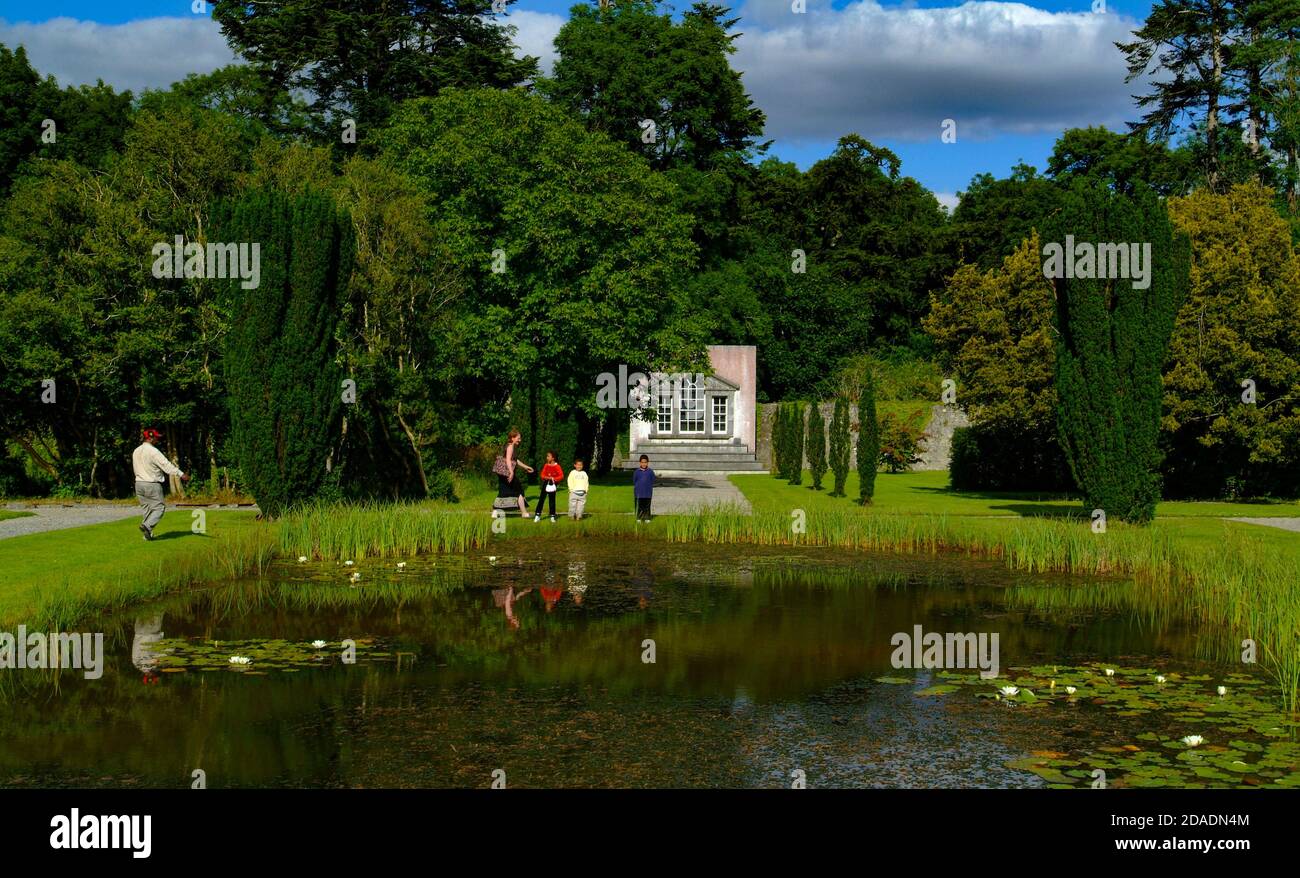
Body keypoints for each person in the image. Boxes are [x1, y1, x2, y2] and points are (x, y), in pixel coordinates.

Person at [132, 428, 188, 541]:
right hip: (152, 484)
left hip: (139, 484)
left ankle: (147, 535)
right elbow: (166, 465)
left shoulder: (136, 451)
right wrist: (181, 474)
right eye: (156, 438)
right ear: (150, 438)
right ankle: (146, 526)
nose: (157, 440)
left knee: (147, 509)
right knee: (159, 508)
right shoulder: (153, 451)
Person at [496, 429, 534, 516]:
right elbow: (509, 461)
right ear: (513, 438)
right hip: (508, 473)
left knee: (503, 492)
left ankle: (495, 512)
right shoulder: (510, 447)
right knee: (519, 491)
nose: (520, 440)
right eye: (518, 438)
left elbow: (515, 460)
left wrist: (526, 467)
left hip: (503, 473)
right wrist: (511, 472)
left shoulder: (509, 446)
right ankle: (524, 512)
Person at [533, 451, 564, 523]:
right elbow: (542, 475)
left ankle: (552, 516)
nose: (547, 457)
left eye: (548, 456)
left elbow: (561, 476)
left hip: (553, 484)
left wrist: (554, 479)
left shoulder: (557, 466)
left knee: (552, 500)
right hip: (545, 483)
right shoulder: (546, 465)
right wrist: (548, 477)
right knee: (541, 499)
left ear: (553, 458)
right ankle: (537, 515)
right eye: (547, 456)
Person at [633, 454, 654, 522]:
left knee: (647, 506)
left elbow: (652, 480)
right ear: (640, 463)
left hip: (647, 493)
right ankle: (639, 518)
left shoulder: (650, 472)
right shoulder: (636, 472)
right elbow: (634, 480)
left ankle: (647, 518)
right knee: (639, 506)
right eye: (642, 462)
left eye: (645, 462)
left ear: (647, 462)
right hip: (639, 493)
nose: (644, 464)